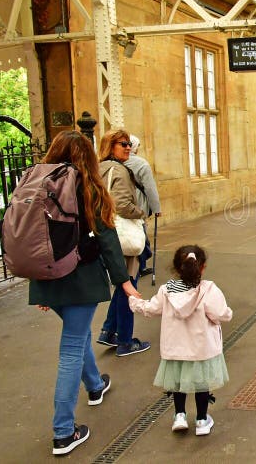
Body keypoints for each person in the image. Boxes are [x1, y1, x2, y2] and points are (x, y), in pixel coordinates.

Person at [29, 130, 138, 456]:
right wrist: (125, 282)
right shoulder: (87, 187)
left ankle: (95, 385)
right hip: (80, 279)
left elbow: (29, 234)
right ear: (87, 156)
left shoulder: (37, 182)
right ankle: (63, 431)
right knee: (71, 349)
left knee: (75, 337)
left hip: (47, 277)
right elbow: (106, 239)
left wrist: (39, 281)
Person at [128, 245, 232, 436]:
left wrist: (134, 301)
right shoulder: (208, 289)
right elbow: (221, 314)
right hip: (202, 349)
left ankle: (180, 416)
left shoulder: (166, 290)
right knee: (202, 384)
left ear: (177, 267)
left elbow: (151, 309)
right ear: (203, 267)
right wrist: (225, 314)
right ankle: (201, 420)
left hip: (175, 348)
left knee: (178, 383)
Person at [96, 129, 151, 357]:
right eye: (122, 144)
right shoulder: (118, 169)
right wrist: (140, 213)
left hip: (106, 233)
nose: (128, 147)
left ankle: (108, 331)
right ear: (111, 146)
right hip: (123, 236)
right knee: (129, 286)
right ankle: (126, 341)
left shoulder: (99, 168)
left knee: (122, 284)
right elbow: (121, 205)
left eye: (129, 143)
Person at [125, 134, 161, 276]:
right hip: (138, 205)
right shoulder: (141, 164)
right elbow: (150, 188)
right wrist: (156, 208)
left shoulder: (114, 162)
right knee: (140, 233)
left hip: (119, 205)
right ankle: (140, 266)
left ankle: (130, 266)